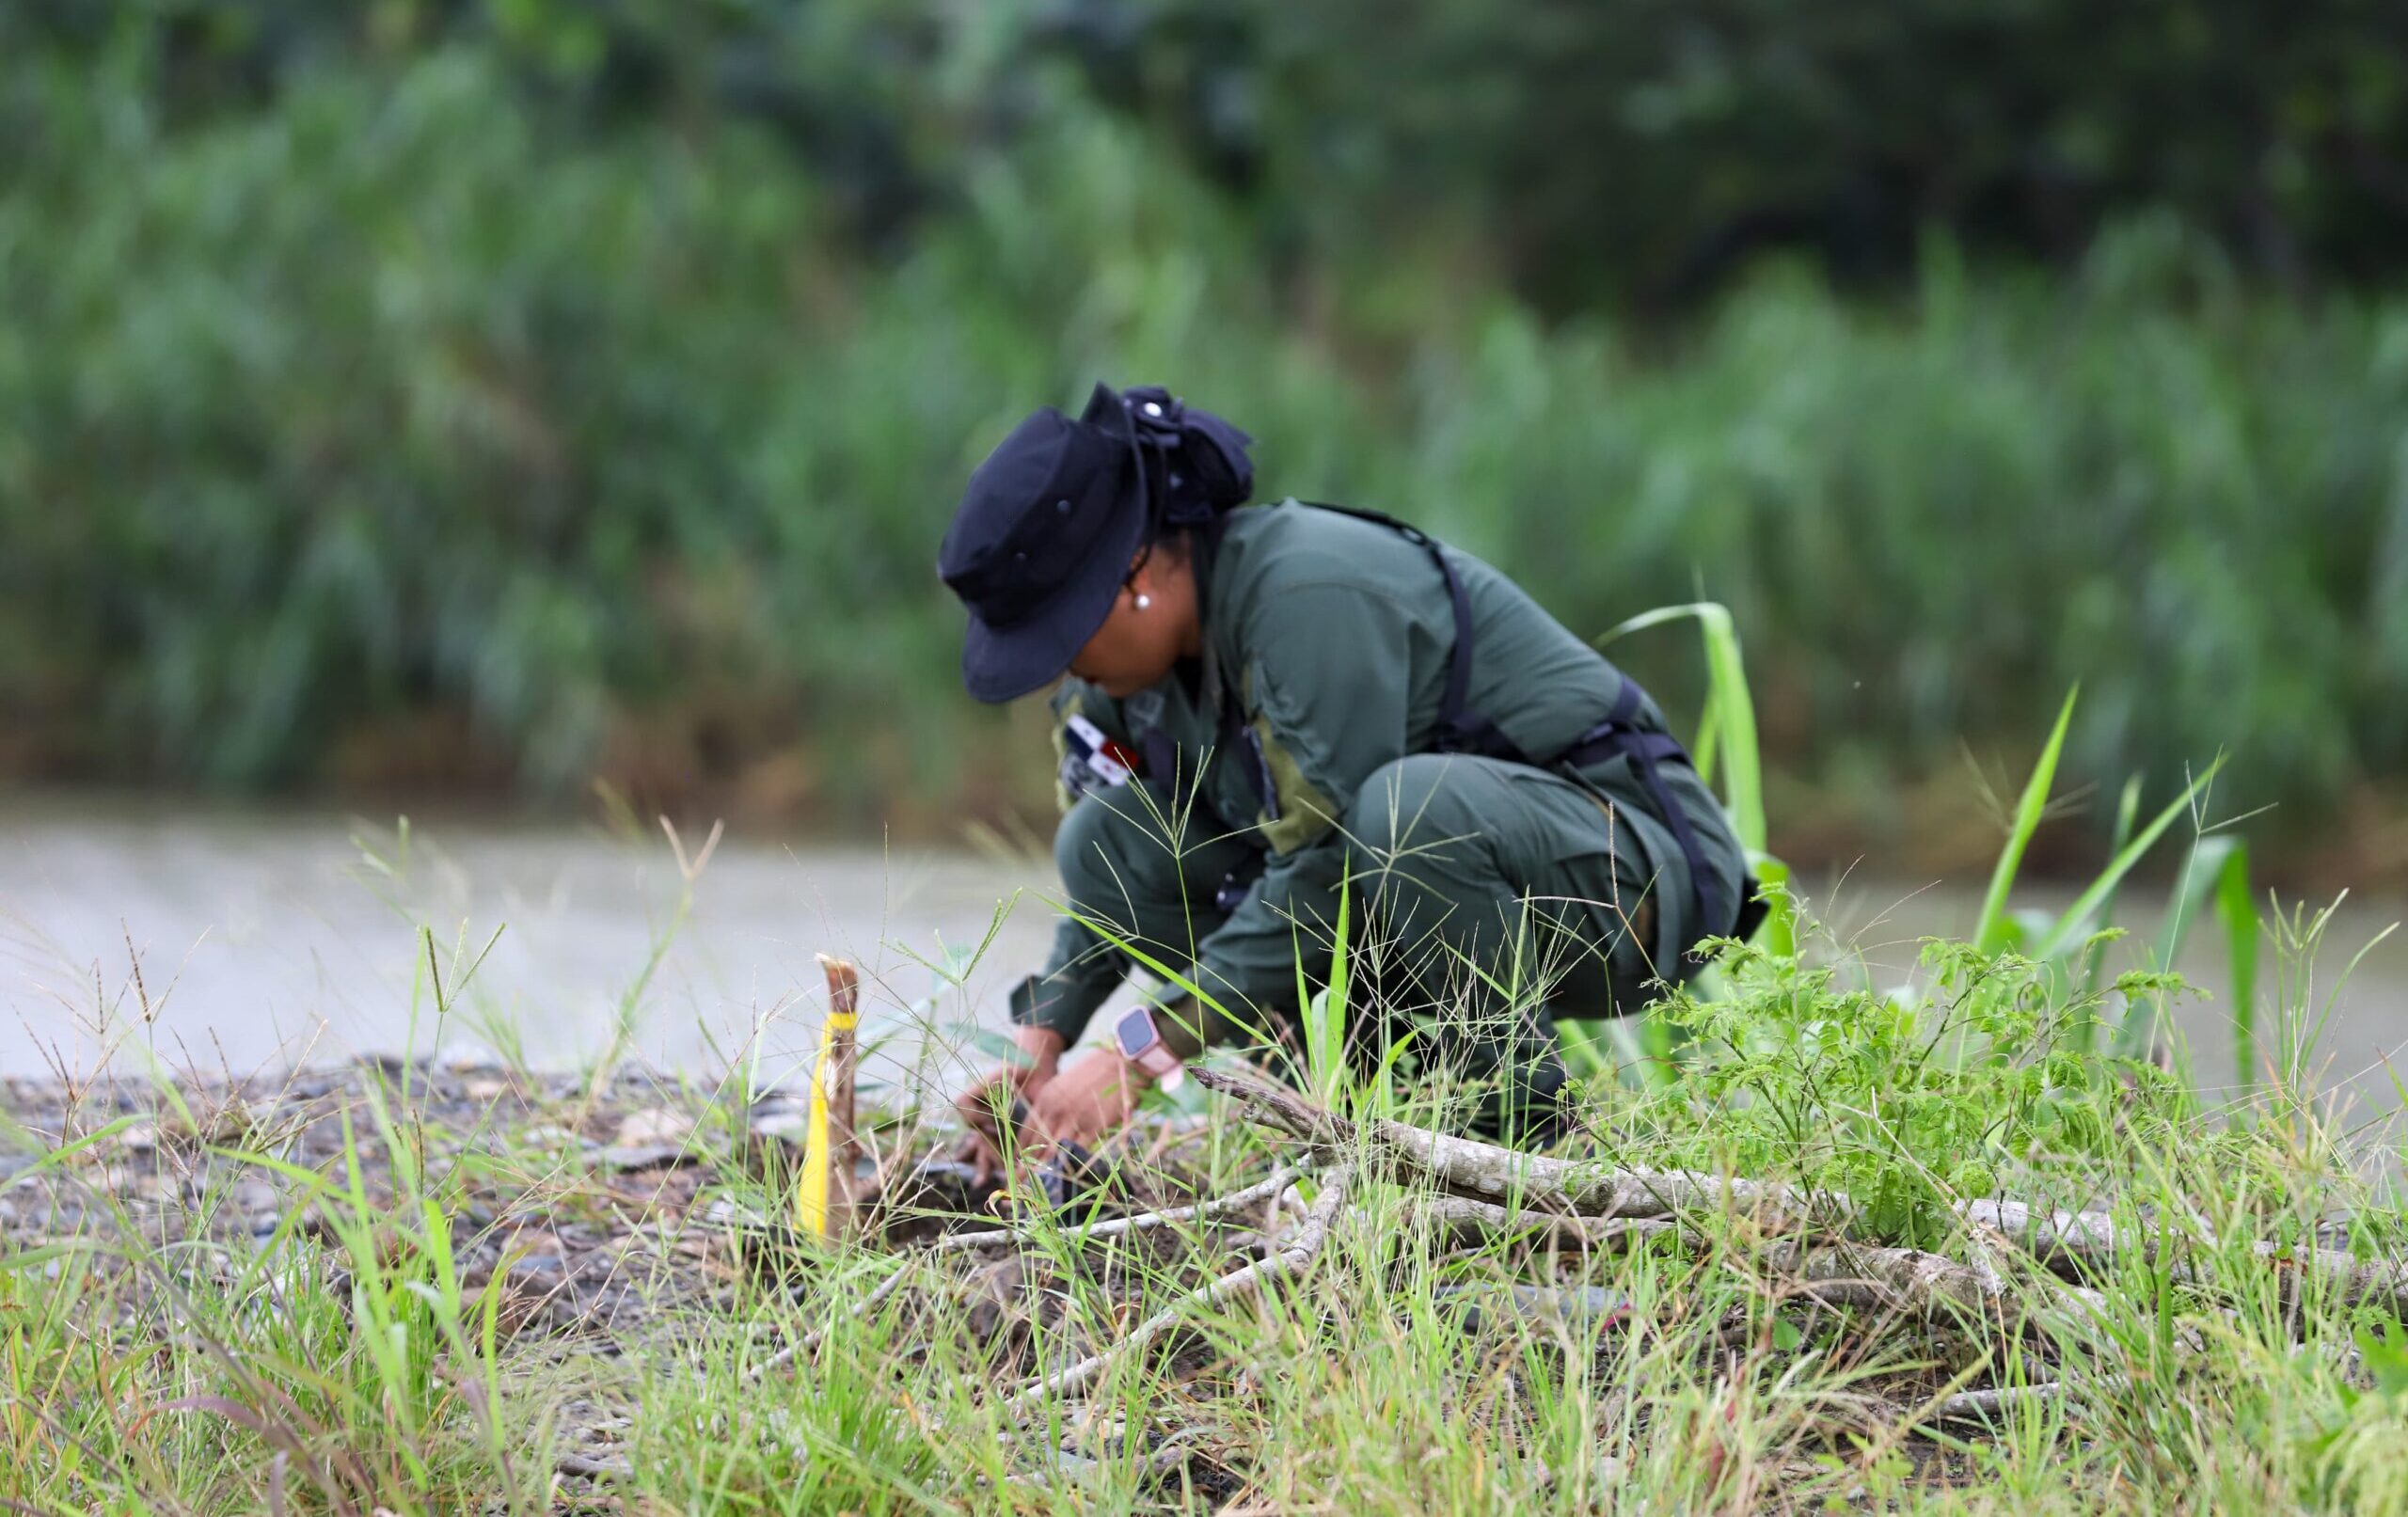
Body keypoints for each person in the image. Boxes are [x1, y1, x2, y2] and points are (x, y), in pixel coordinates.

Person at [938, 383, 1755, 1169]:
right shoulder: (1134, 686)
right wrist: (1040, 1043)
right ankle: (1368, 1129)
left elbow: (1322, 875)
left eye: (1065, 637)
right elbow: (1119, 889)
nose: (1062, 670)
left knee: (1410, 814)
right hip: (1434, 889)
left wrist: (1138, 1054)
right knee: (1105, 839)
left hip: (1635, 876)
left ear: (1140, 575)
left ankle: (1521, 1151)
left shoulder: (1303, 598)